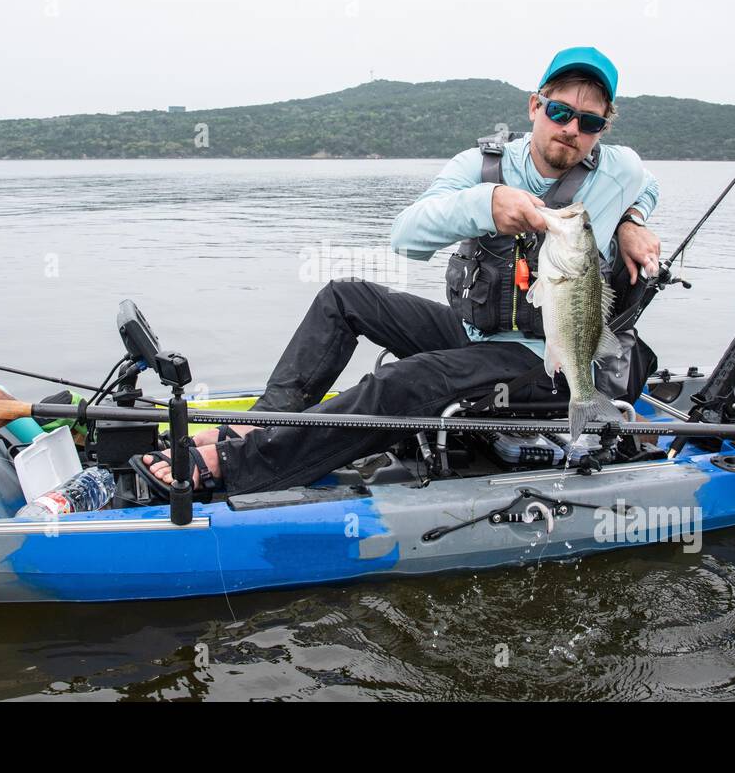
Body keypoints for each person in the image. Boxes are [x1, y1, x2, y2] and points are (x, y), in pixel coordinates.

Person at [138, 46, 661, 497]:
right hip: (474, 333)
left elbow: (645, 184)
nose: (571, 129)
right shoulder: (478, 168)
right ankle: (260, 425)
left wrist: (634, 221)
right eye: (560, 111)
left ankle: (241, 466)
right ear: (535, 105)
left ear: (602, 131)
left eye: (590, 122)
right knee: (344, 297)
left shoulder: (618, 169)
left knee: (405, 382)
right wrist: (487, 203)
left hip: (548, 359)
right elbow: (405, 236)